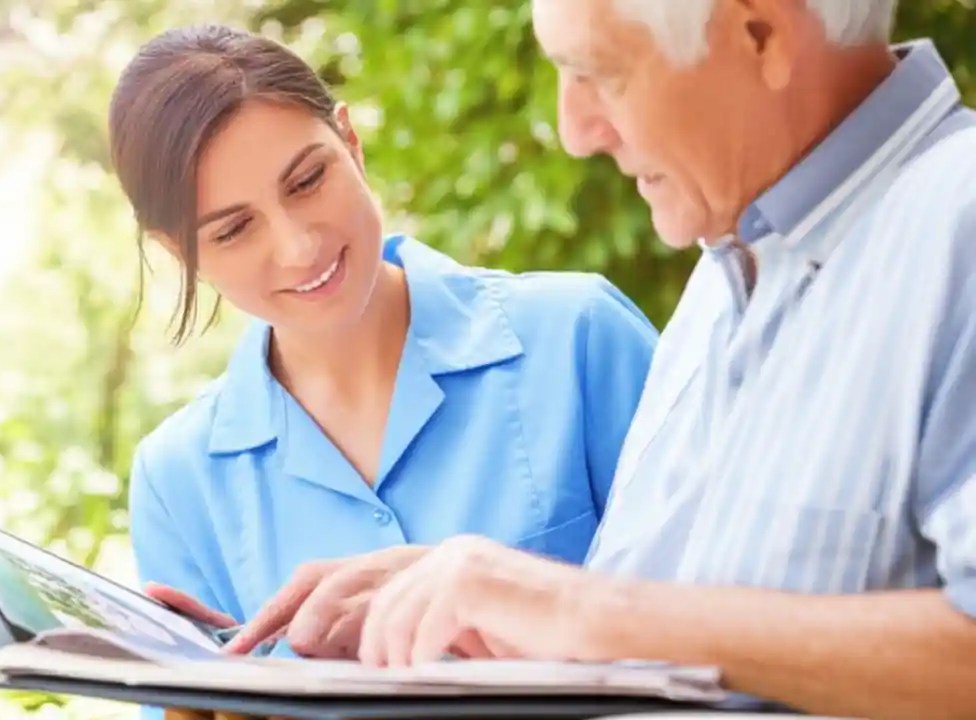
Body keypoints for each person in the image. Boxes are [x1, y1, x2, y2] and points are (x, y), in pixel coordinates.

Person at [222, 1, 976, 717]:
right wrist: (490, 600)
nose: (575, 129)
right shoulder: (730, 270)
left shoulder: (956, 224)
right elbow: (685, 635)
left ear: (760, 33)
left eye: (600, 74)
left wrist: (577, 608)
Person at [108, 23, 656, 667]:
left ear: (351, 143)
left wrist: (498, 592)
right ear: (181, 252)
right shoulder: (179, 478)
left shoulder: (578, 339)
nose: (298, 246)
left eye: (308, 180)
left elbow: (728, 616)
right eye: (234, 230)